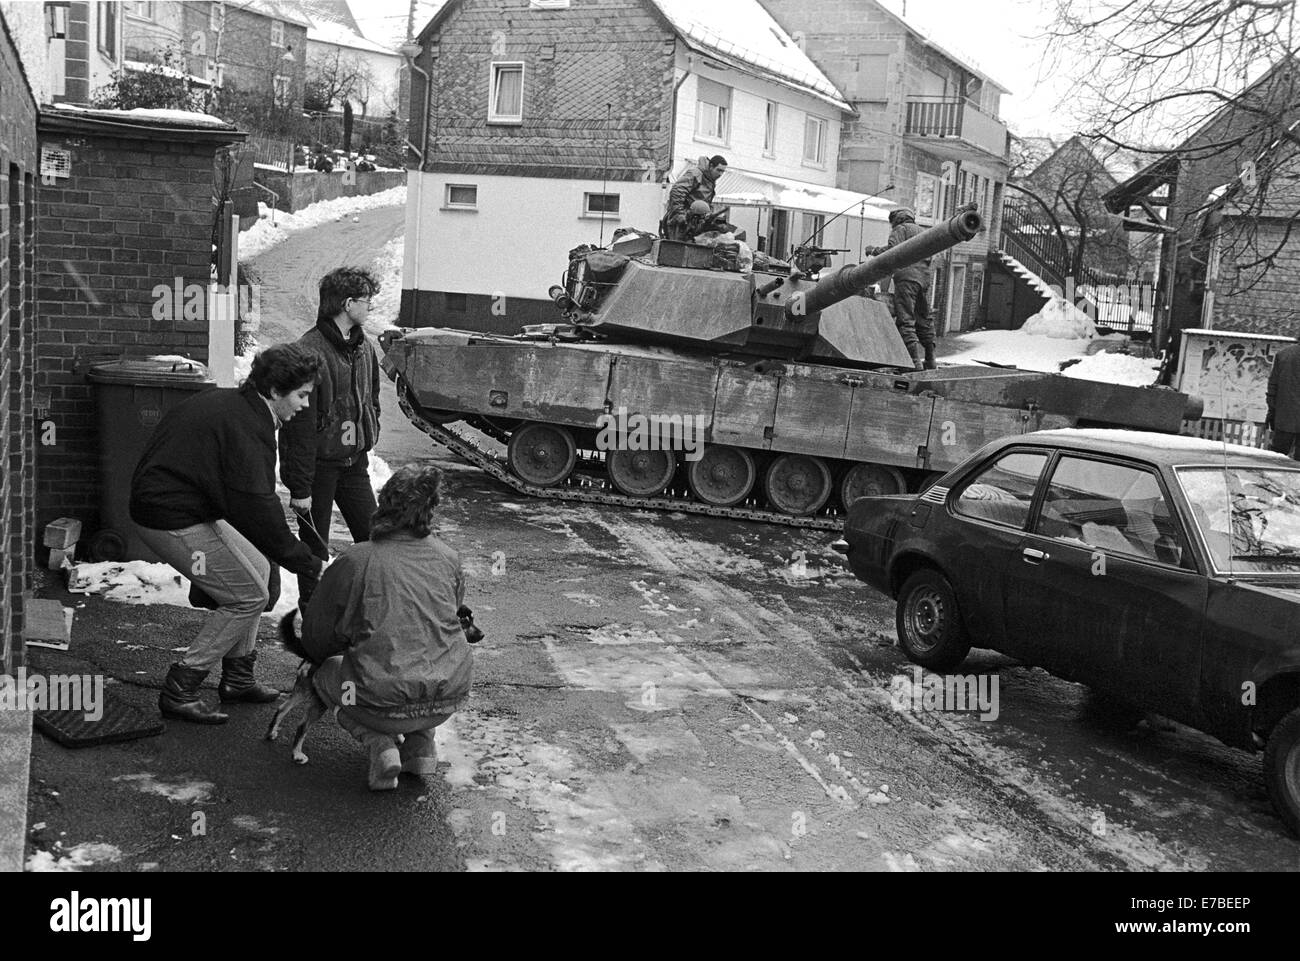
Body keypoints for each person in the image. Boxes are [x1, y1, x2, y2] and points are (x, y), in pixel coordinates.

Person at [131, 344, 325, 724]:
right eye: (301, 395)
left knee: (257, 571)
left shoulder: (232, 404)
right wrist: (303, 559)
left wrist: (284, 556)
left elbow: (247, 500)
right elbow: (256, 503)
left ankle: (238, 678)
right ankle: (180, 688)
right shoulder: (249, 426)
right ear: (274, 391)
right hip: (167, 516)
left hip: (187, 505)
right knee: (247, 596)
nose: (304, 405)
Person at [300, 465, 473, 791]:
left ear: (383, 504)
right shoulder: (449, 558)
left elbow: (317, 635)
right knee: (423, 658)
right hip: (447, 696)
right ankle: (420, 748)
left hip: (382, 703)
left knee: (325, 673)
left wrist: (333, 652)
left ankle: (380, 745)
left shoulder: (356, 560)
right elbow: (448, 615)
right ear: (430, 510)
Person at [280, 267, 383, 608]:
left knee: (377, 540)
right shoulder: (308, 352)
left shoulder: (364, 348)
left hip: (354, 465)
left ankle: (370, 614)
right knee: (313, 552)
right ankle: (313, 626)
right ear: (348, 303)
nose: (371, 308)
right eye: (367, 301)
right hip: (319, 469)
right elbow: (297, 428)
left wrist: (369, 430)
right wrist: (300, 488)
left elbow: (373, 399)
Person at [867, 207, 934, 370]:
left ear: (896, 219)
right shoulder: (924, 231)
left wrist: (874, 250)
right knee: (923, 318)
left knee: (906, 319)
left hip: (907, 277)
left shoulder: (900, 229)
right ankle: (931, 360)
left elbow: (892, 252)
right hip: (924, 278)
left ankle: (914, 362)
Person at [662, 155, 727, 239]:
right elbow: (677, 191)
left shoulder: (710, 180)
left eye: (723, 171)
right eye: (718, 170)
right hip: (683, 221)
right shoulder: (696, 174)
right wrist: (679, 213)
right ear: (711, 166)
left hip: (696, 221)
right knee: (678, 248)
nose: (720, 174)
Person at [1267, 339, 1300, 458]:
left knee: (1276, 458)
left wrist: (1272, 411)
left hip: (1285, 417)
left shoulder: (1283, 355)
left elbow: (1272, 386)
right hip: (1285, 416)